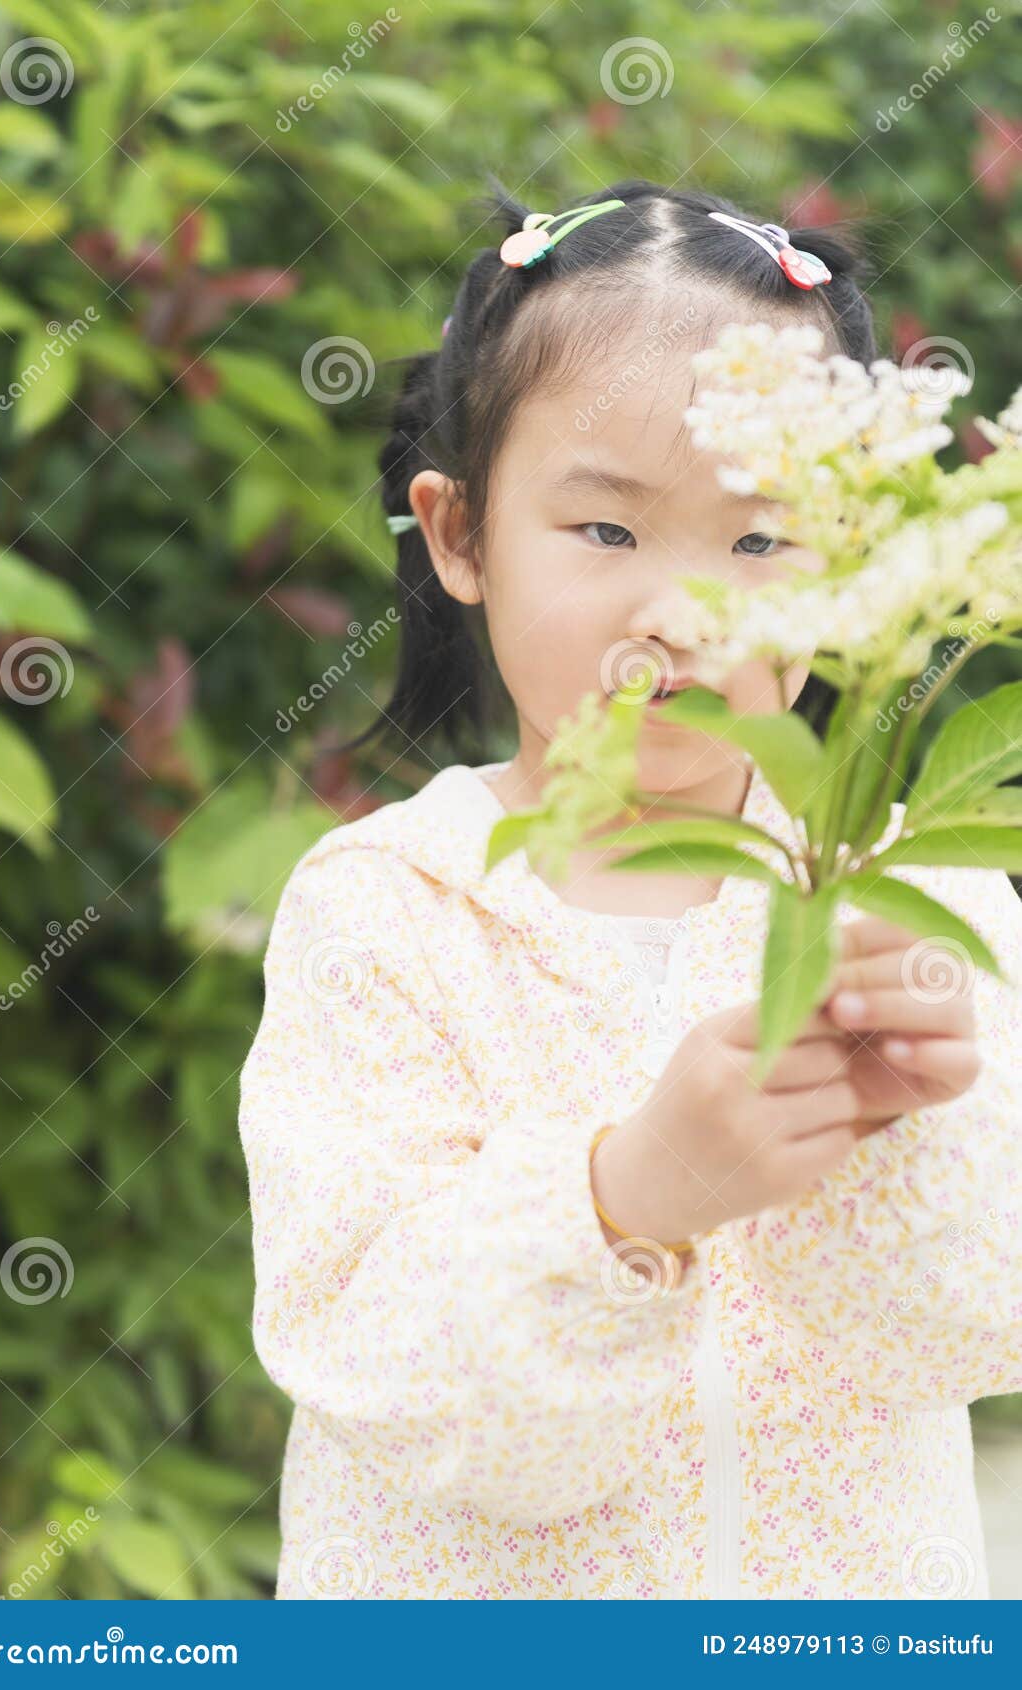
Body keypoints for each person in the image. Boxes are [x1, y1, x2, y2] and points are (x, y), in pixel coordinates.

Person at [237, 178, 1022, 1599]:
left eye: (762, 538)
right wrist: (631, 1193)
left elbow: (973, 1327)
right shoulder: (386, 905)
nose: (683, 610)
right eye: (607, 532)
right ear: (460, 533)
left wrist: (917, 1126)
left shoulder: (915, 887)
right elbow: (379, 1369)